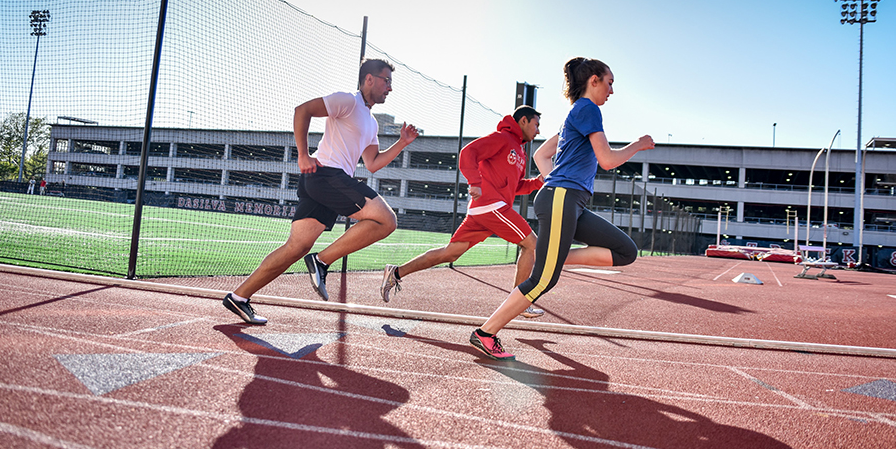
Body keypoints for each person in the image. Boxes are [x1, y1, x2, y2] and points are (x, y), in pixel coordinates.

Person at [468, 57, 655, 360]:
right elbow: (606, 160)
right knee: (543, 279)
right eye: (609, 83)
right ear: (593, 80)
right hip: (561, 198)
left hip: (572, 201)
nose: (611, 91)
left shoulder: (576, 115)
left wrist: (553, 179)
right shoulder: (588, 109)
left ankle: (555, 256)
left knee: (625, 251)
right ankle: (485, 333)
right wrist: (637, 145)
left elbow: (542, 155)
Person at [222, 58, 419, 325]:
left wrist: (401, 143)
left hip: (324, 181)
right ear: (369, 79)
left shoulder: (371, 123)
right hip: (326, 174)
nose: (390, 88)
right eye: (387, 81)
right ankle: (322, 262)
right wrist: (303, 155)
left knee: (296, 247)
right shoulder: (347, 101)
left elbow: (372, 163)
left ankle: (239, 296)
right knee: (387, 220)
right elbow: (302, 110)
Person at [379, 106, 546, 318]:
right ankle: (519, 303)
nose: (538, 131)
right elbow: (468, 153)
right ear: (523, 121)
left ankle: (395, 272)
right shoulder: (502, 138)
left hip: (486, 210)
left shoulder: (520, 152)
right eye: (536, 124)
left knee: (450, 253)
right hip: (491, 206)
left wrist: (535, 183)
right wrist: (475, 182)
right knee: (532, 244)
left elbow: (514, 186)